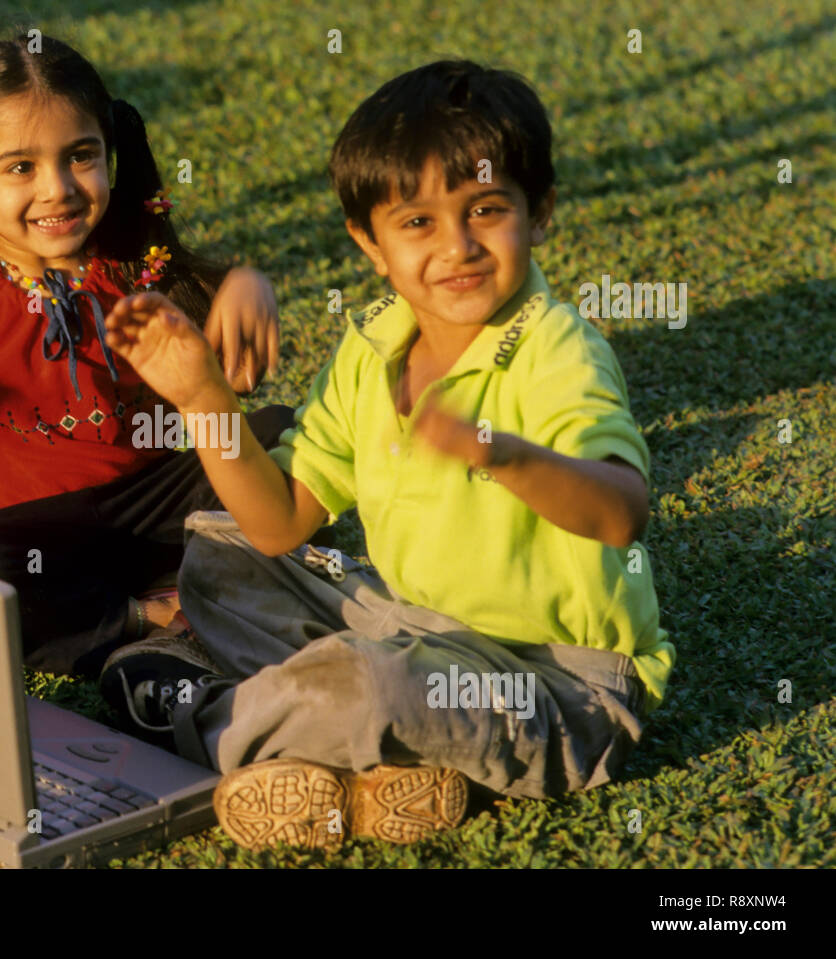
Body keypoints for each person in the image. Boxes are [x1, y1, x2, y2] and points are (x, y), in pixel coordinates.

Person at [99, 59, 676, 852]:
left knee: (378, 681)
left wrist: (499, 452)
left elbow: (619, 513)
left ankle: (205, 719)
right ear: (370, 243)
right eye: (417, 224)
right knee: (220, 552)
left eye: (486, 209)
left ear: (539, 214)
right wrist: (205, 402)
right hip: (416, 623)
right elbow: (278, 524)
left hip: (556, 685)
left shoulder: (557, 349)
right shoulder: (374, 343)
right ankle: (383, 771)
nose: (457, 246)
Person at [0, 33, 289, 678]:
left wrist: (247, 287)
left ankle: (177, 594)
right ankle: (150, 619)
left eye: (80, 157)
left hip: (155, 507)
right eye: (20, 168)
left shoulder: (136, 264)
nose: (58, 189)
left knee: (288, 437)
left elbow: (223, 367)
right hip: (29, 535)